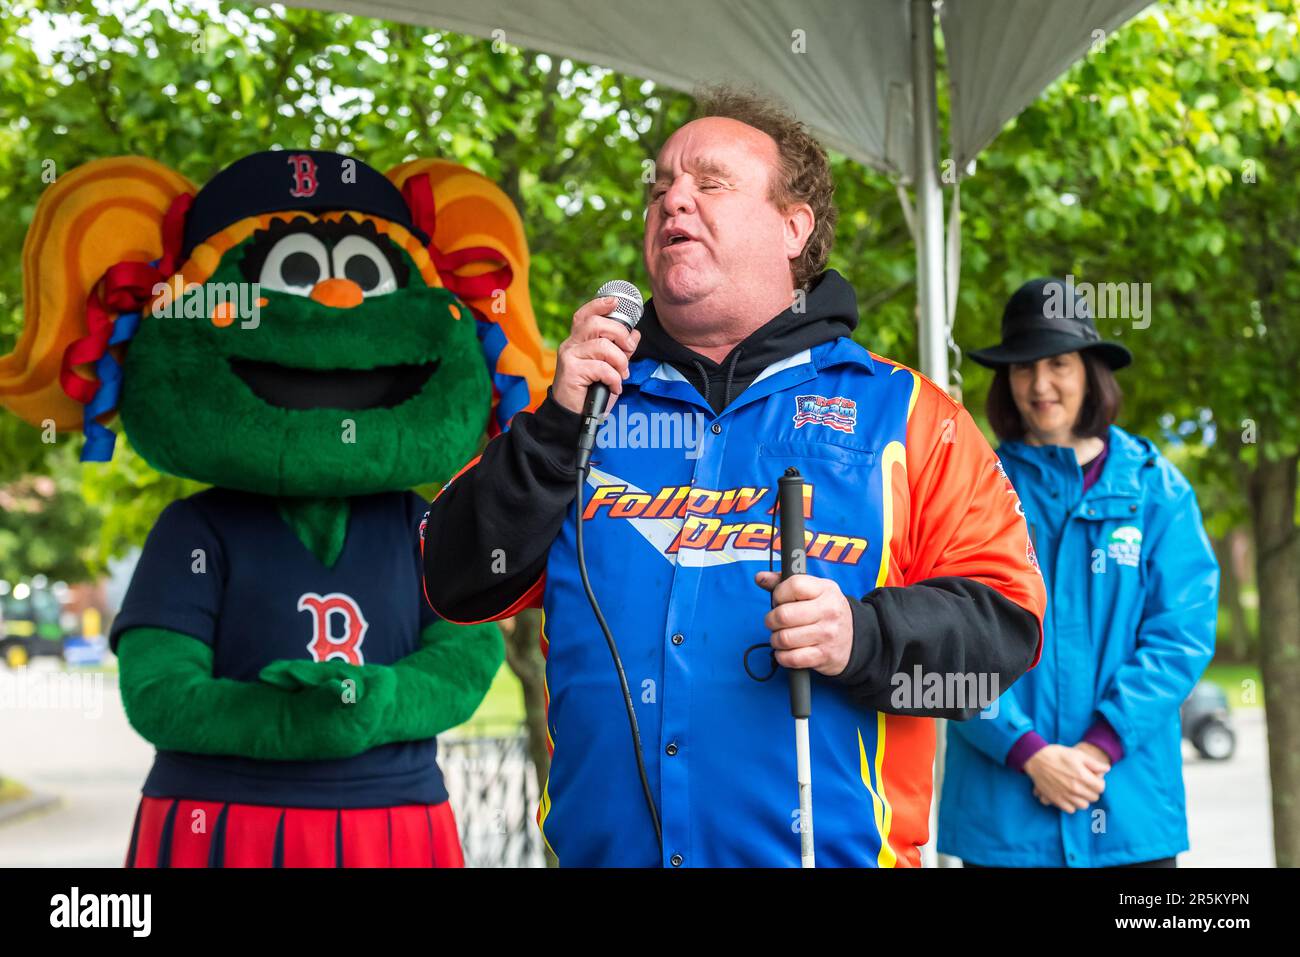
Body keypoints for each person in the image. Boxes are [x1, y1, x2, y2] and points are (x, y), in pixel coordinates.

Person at [421, 87, 1046, 867]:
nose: (672, 198)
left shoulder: (908, 414)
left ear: (794, 226)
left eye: (709, 182)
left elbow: (1003, 644)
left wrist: (864, 637)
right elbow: (450, 579)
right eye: (661, 188)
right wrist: (554, 426)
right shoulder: (581, 406)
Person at [938, 278, 1219, 868]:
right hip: (1003, 815)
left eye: (1059, 364)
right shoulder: (974, 486)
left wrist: (1099, 748)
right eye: (1022, 368)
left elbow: (1180, 636)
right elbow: (949, 638)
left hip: (1127, 807)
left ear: (1091, 371)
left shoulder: (1156, 490)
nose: (1040, 385)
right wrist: (1027, 750)